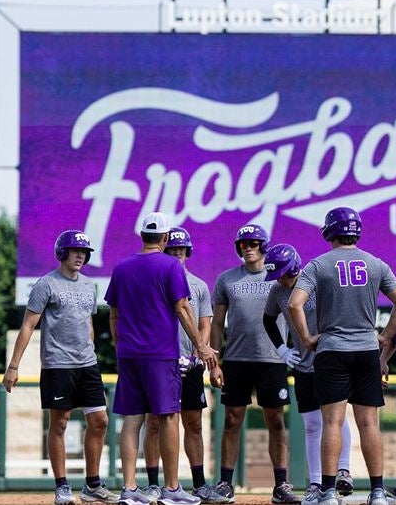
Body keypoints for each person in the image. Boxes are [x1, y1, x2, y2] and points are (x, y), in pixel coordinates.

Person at [287, 207, 396, 505]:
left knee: (331, 423)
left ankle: (328, 491)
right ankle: (378, 491)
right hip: (367, 349)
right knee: (369, 423)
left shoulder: (319, 265)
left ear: (329, 231)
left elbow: (294, 305)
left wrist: (306, 339)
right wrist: (383, 337)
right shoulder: (375, 263)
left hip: (332, 349)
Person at [105, 213, 218, 505]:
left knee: (132, 420)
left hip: (129, 354)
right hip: (160, 355)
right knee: (168, 417)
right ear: (165, 239)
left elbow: (113, 313)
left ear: (141, 235)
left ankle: (129, 490)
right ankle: (171, 489)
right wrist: (201, 347)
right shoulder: (171, 266)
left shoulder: (121, 267)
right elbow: (181, 307)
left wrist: (120, 347)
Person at [3, 230, 115, 505]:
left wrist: (90, 349)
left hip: (87, 364)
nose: (80, 256)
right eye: (75, 251)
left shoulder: (90, 286)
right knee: (60, 423)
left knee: (100, 421)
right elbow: (29, 325)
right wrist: (13, 366)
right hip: (57, 364)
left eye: (84, 252)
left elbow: (88, 325)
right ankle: (62, 486)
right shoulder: (46, 284)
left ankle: (92, 485)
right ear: (62, 253)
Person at [261, 243, 356, 505]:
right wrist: (281, 348)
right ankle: (315, 483)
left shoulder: (316, 280)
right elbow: (268, 319)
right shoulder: (278, 290)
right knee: (312, 425)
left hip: (329, 359)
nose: (281, 278)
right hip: (303, 364)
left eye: (284, 273)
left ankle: (343, 470)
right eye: (277, 274)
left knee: (334, 418)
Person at [208, 224, 296, 505]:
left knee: (276, 420)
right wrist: (214, 360)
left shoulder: (277, 277)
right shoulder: (226, 279)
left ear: (264, 246)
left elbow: (298, 311)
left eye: (254, 243)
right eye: (244, 243)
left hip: (272, 358)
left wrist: (296, 349)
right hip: (235, 359)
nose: (248, 247)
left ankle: (281, 484)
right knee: (232, 420)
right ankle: (225, 483)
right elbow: (217, 322)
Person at [141, 227, 217, 503]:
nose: (177, 255)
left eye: (181, 251)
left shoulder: (198, 285)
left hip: (191, 363)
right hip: (161, 361)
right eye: (172, 250)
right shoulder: (157, 280)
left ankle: (198, 484)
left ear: (188, 253)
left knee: (193, 424)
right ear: (163, 250)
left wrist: (199, 353)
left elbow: (205, 323)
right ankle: (152, 483)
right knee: (154, 422)